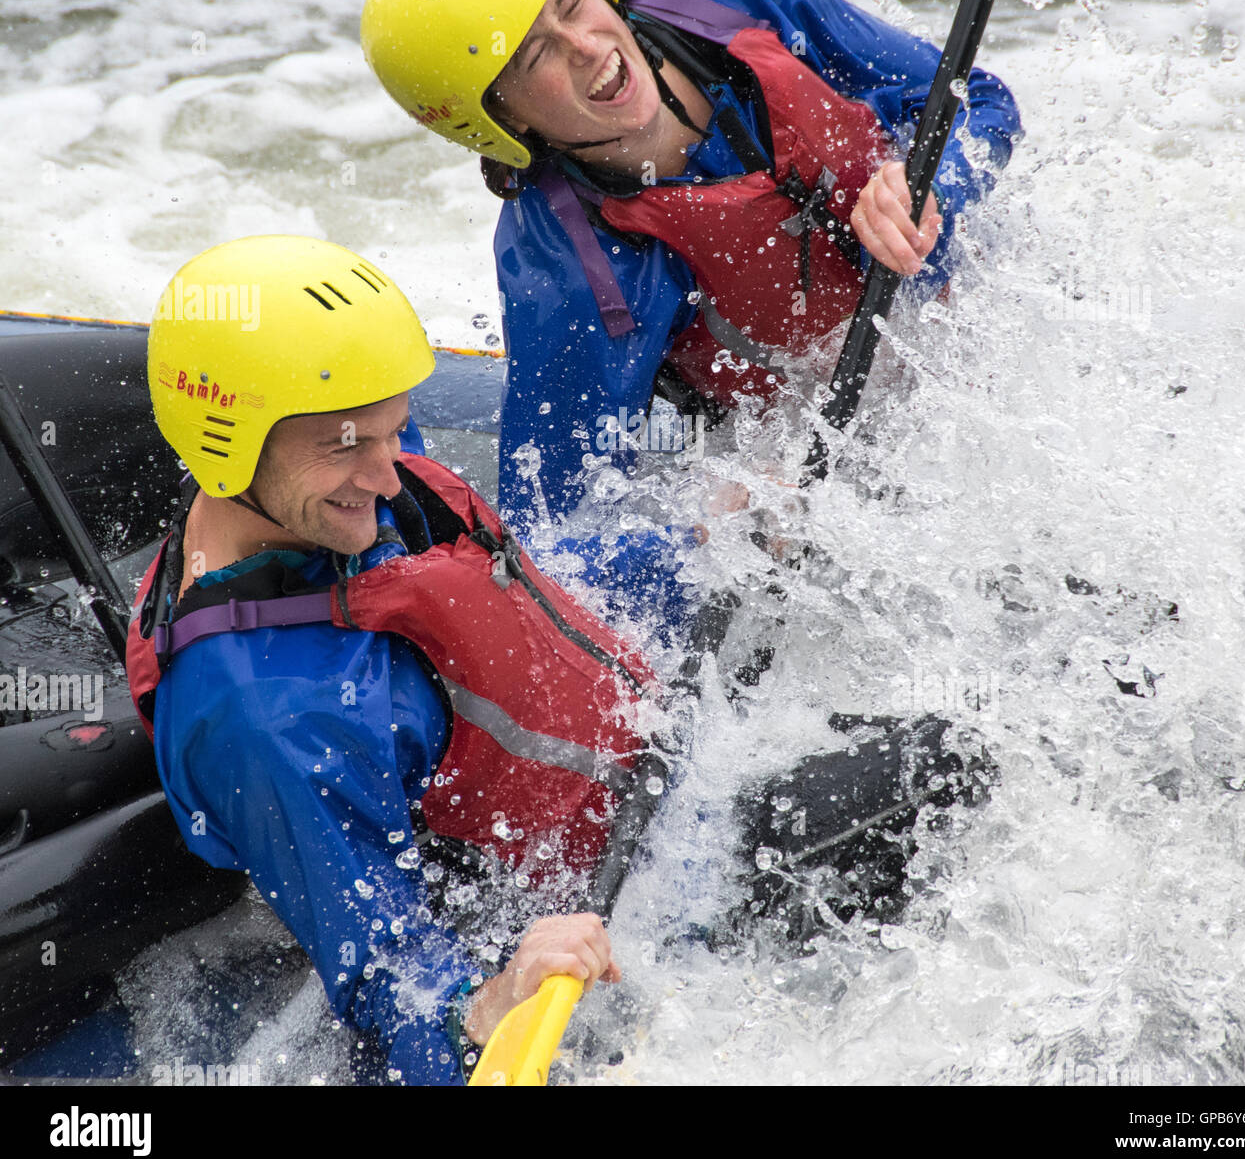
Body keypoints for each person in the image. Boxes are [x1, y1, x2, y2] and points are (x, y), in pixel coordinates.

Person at [126, 235, 983, 1087]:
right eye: (349, 446)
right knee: (958, 767)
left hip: (645, 762)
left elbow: (507, 582)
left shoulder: (323, 486)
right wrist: (495, 1001)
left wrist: (696, 539)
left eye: (393, 431)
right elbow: (385, 983)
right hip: (612, 886)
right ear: (228, 443)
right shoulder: (265, 722)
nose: (390, 477)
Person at [360, 0, 1022, 531]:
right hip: (807, 442)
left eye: (569, 4)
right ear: (505, 123)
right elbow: (553, 542)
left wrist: (937, 182)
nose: (587, 46)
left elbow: (980, 100)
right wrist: (707, 530)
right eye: (536, 57)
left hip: (986, 331)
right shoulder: (567, 267)